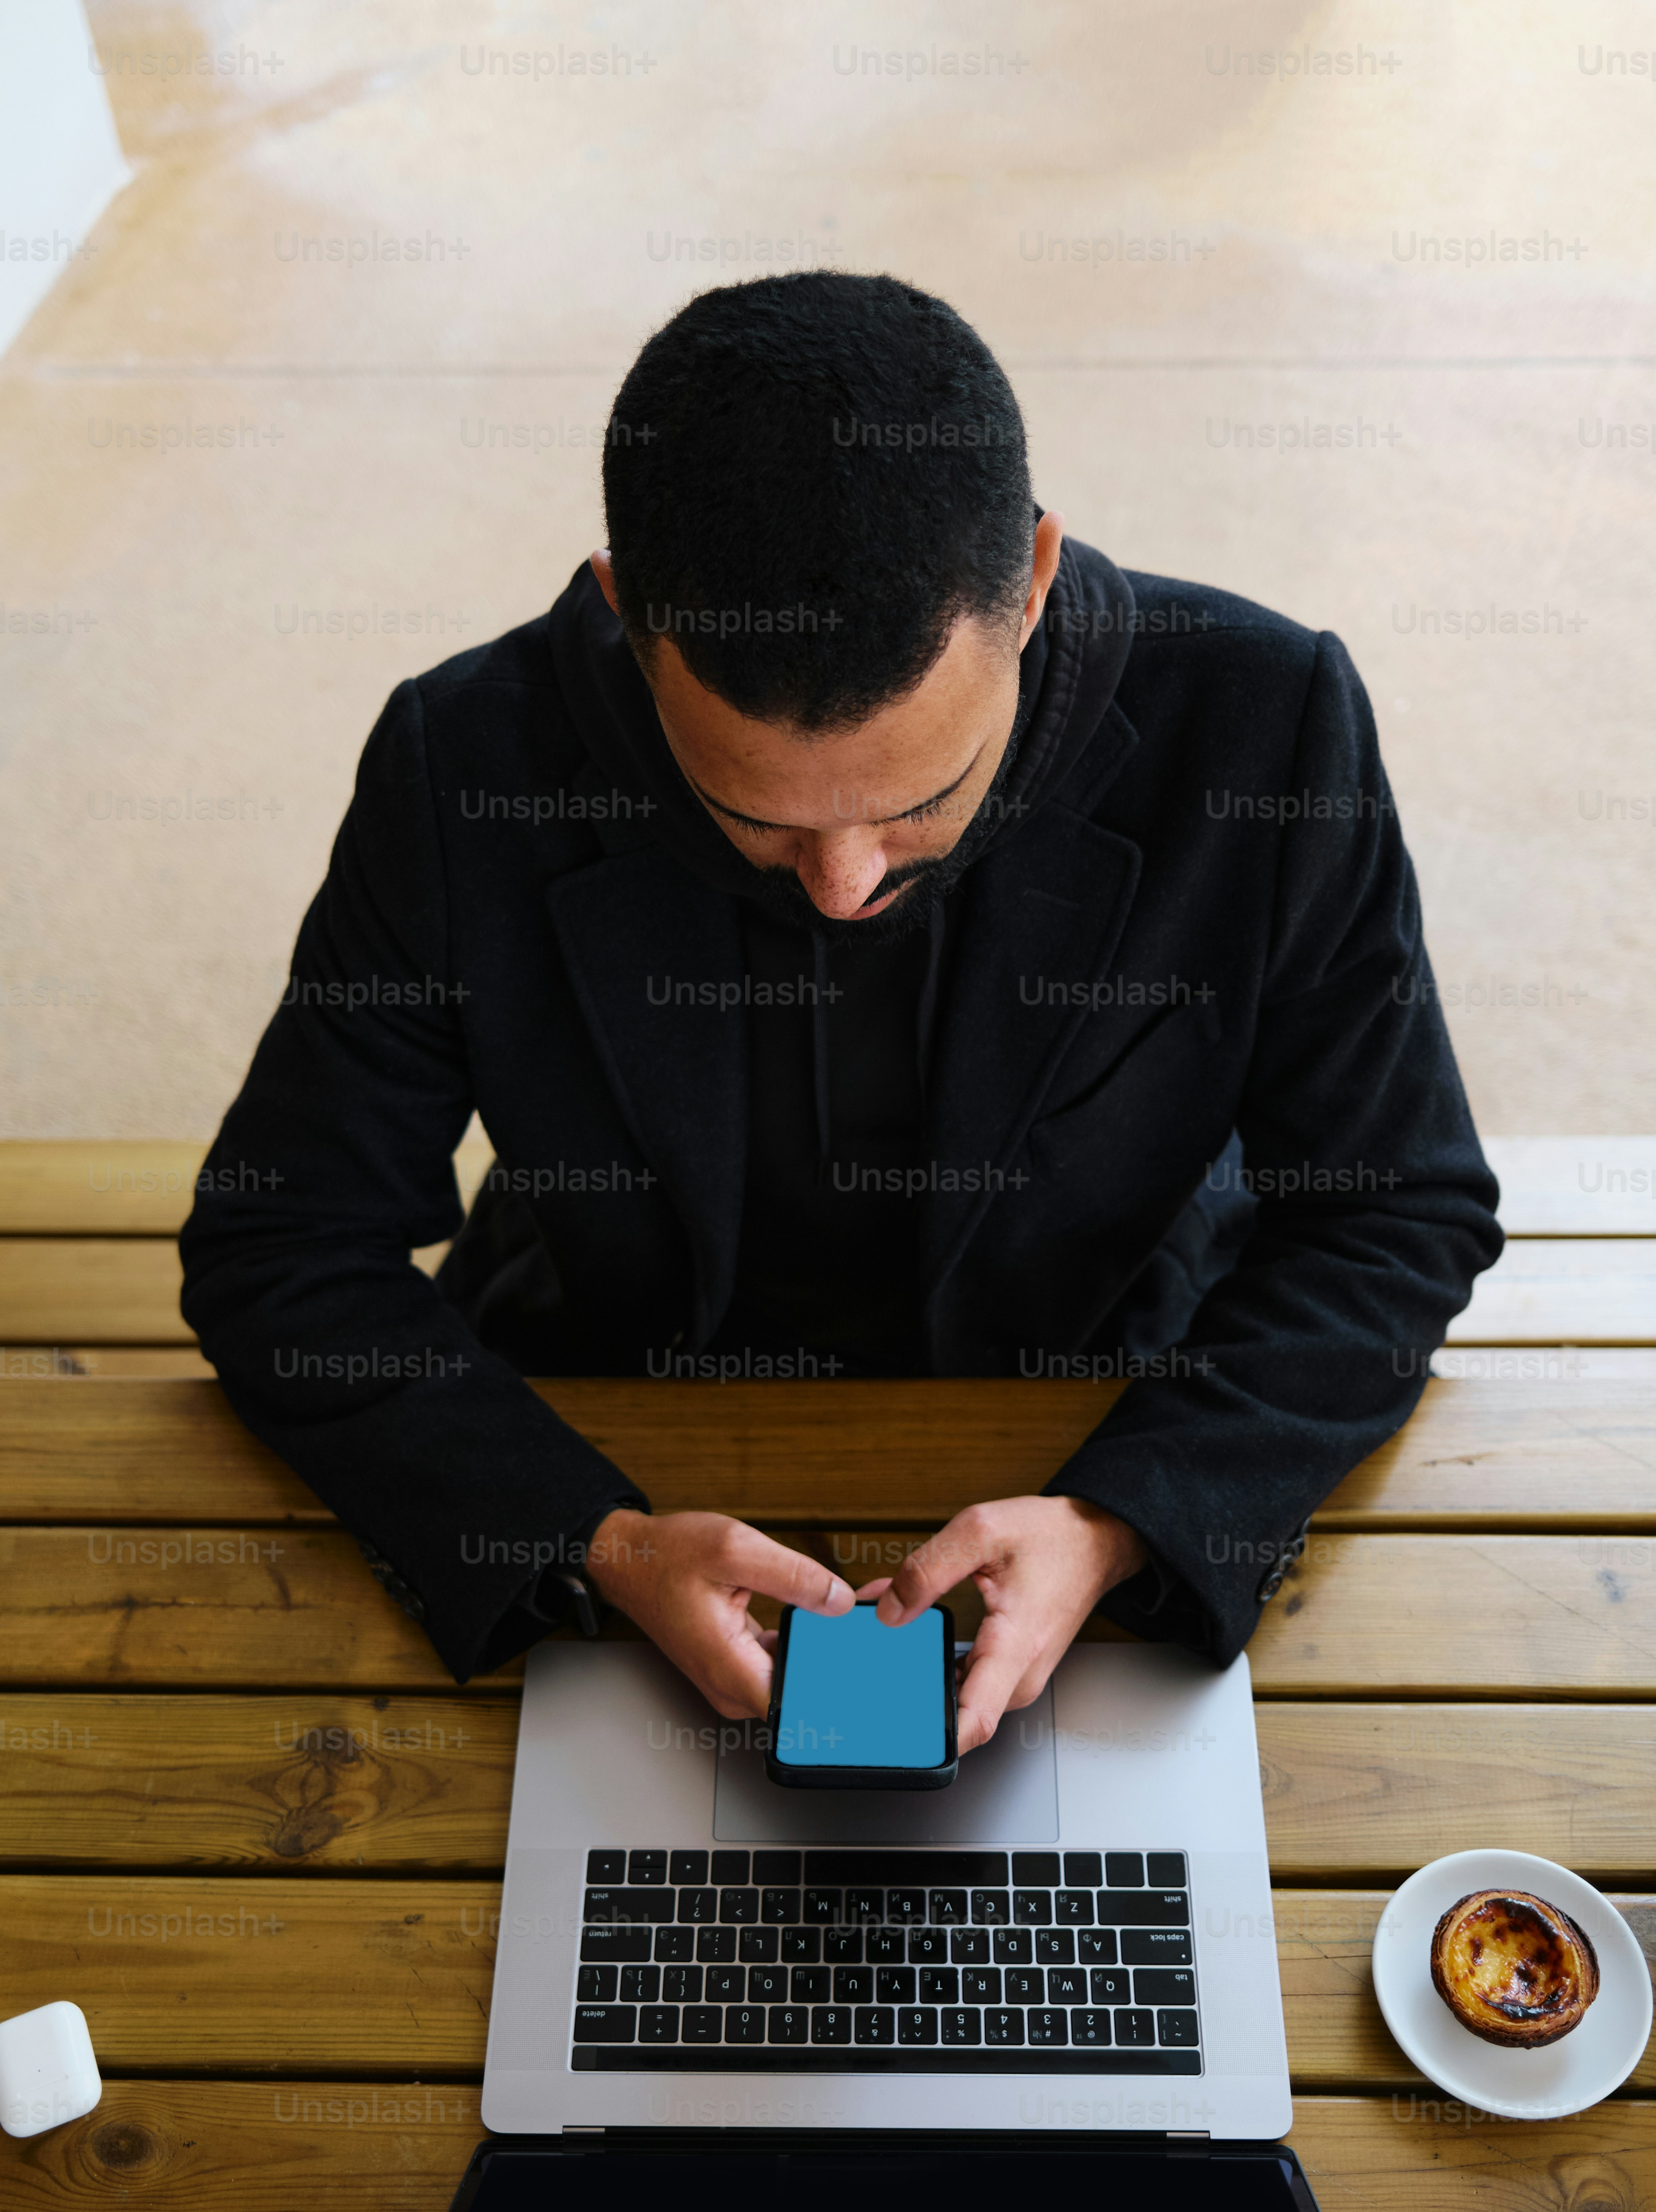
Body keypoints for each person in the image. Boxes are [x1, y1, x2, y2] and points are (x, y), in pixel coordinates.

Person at [179, 270, 1501, 1750]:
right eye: (756, 818)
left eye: (919, 800)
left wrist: (1132, 1519)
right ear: (628, 617)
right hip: (613, 1400)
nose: (842, 888)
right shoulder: (464, 761)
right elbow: (280, 1244)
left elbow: (1397, 1210)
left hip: (1097, 1396)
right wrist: (588, 1541)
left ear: (1036, 585)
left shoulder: (1268, 725)